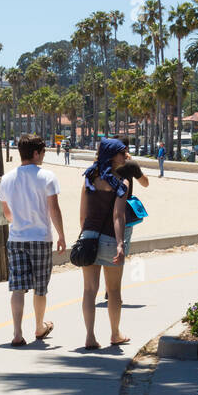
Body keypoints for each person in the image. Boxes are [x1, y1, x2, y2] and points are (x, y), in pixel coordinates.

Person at [79, 138, 148, 350]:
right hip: (110, 239)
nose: (124, 156)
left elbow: (82, 214)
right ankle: (115, 334)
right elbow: (118, 216)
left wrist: (84, 235)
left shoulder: (89, 177)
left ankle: (90, 337)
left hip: (88, 237)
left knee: (89, 290)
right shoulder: (122, 182)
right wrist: (120, 244)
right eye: (121, 153)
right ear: (112, 155)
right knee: (114, 290)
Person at [0, 134, 66, 346]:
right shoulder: (47, 176)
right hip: (40, 238)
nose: (44, 156)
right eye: (43, 152)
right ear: (36, 153)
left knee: (17, 287)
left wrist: (18, 219)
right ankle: (38, 326)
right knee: (40, 287)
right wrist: (62, 235)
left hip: (16, 238)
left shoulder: (7, 178)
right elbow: (53, 209)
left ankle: (17, 333)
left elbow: (6, 213)